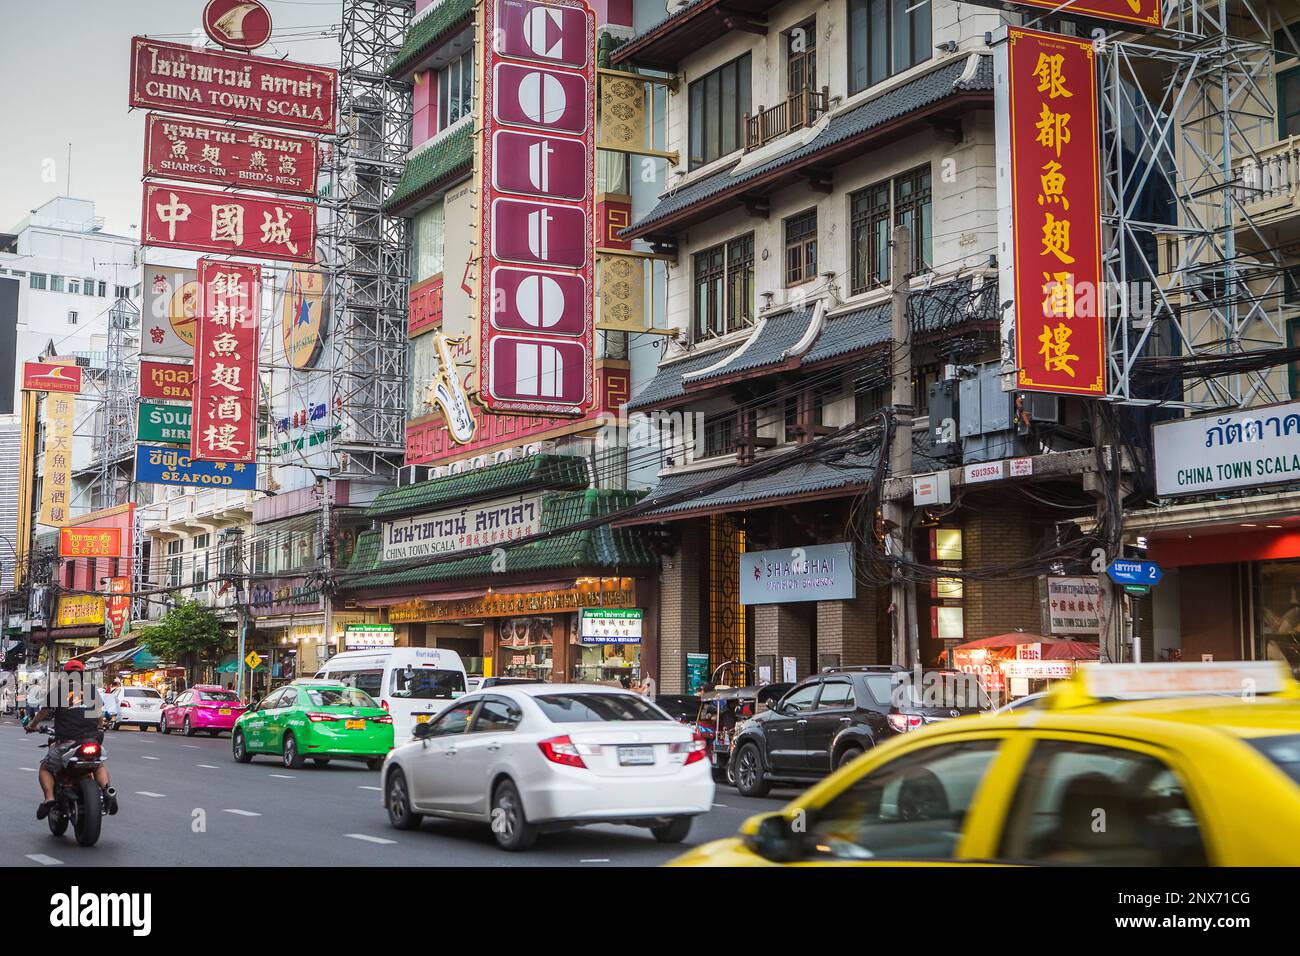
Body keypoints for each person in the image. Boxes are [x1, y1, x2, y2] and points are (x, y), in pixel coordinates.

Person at [25, 660, 117, 820]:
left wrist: (32, 726)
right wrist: (101, 727)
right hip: (90, 740)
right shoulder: (91, 691)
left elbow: (42, 713)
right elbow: (98, 715)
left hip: (67, 742)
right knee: (98, 765)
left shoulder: (58, 691)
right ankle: (107, 789)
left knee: (45, 768)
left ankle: (49, 798)